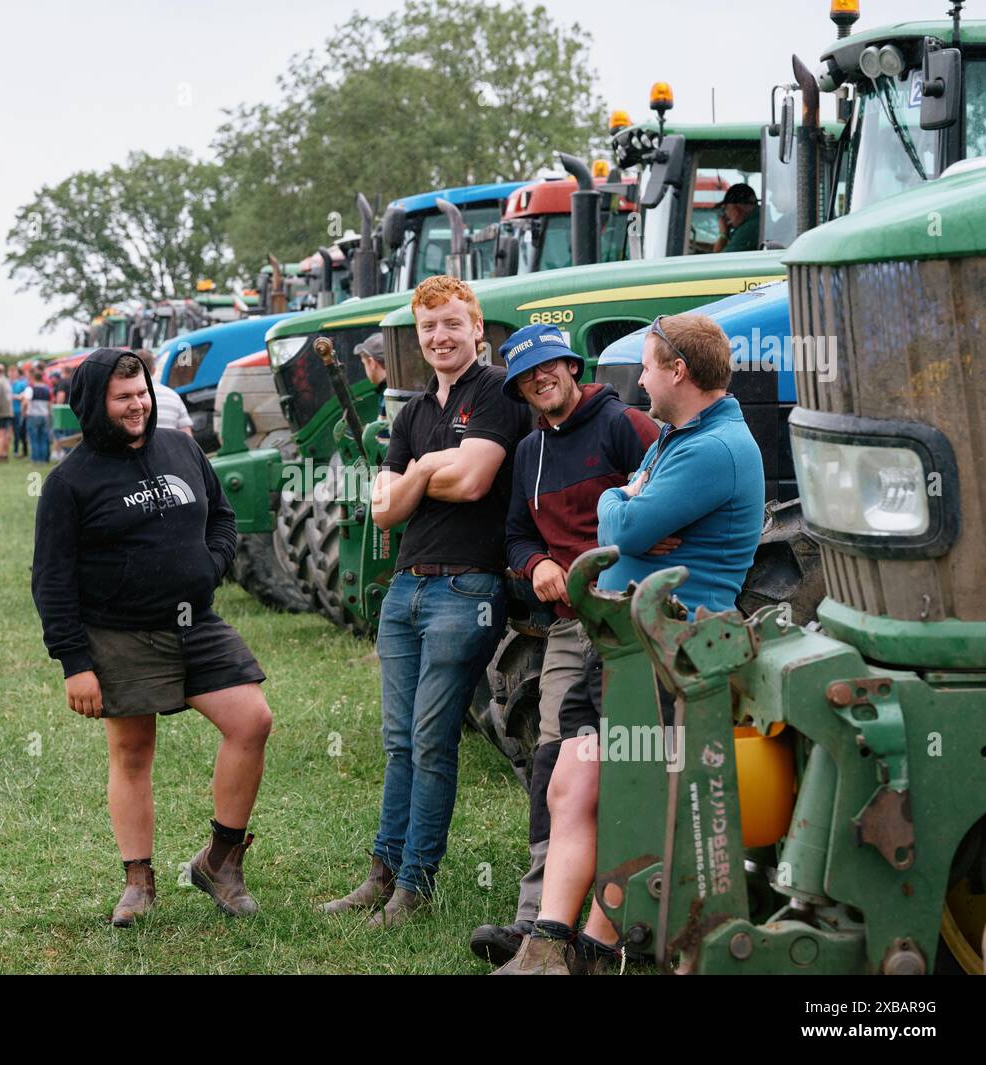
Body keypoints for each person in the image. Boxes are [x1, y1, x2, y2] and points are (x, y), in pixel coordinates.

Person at [495, 313, 765, 975]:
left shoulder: (714, 448)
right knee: (571, 781)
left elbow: (625, 524)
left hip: (667, 653)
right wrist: (629, 501)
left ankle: (592, 948)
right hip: (621, 647)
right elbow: (627, 519)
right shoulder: (676, 438)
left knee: (633, 791)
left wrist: (621, 498)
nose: (639, 378)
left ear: (679, 370)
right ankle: (545, 942)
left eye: (647, 365)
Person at [31, 348, 273, 926]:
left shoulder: (181, 447)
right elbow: (51, 578)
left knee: (252, 720)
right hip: (121, 632)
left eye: (141, 392)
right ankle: (138, 881)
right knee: (133, 753)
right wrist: (75, 663)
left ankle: (221, 860)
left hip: (197, 623)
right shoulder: (70, 482)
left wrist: (210, 564)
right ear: (96, 404)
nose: (137, 404)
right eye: (123, 397)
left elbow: (221, 514)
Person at [321, 276, 528, 927]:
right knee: (398, 742)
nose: (440, 337)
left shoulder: (496, 392)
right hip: (406, 589)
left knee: (432, 739)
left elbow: (471, 483)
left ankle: (415, 887)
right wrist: (423, 473)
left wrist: (414, 475)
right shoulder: (411, 413)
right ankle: (381, 874)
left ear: (476, 330)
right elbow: (384, 513)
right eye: (428, 327)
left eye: (451, 324)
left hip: (466, 588)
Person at [467, 324, 659, 966]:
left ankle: (620, 920)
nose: (539, 380)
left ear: (570, 367)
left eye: (548, 367)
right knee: (555, 768)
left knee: (637, 763)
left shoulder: (625, 427)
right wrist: (535, 565)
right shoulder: (528, 452)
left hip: (635, 619)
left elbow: (669, 508)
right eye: (525, 376)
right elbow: (516, 535)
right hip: (572, 626)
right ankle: (535, 926)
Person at [136, 348, 194, 436]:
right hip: (171, 448)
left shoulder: (129, 398)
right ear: (154, 370)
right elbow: (187, 435)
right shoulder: (173, 396)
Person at [713, 183, 760, 253]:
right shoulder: (758, 221)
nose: (725, 215)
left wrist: (723, 235)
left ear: (736, 210)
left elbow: (717, 260)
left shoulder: (748, 229)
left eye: (725, 209)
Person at [25, 367, 52, 463]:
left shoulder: (31, 389)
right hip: (44, 415)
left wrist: (24, 412)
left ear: (33, 378)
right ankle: (44, 459)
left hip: (33, 415)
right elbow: (49, 404)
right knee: (44, 438)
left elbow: (26, 402)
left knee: (34, 438)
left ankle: (35, 459)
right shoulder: (47, 389)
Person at [10, 363, 30, 458]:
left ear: (17, 374)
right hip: (8, 411)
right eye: (10, 372)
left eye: (14, 372)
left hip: (18, 411)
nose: (12, 374)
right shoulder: (7, 384)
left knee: (19, 432)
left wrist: (16, 397)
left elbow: (26, 396)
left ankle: (17, 450)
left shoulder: (22, 384)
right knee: (9, 432)